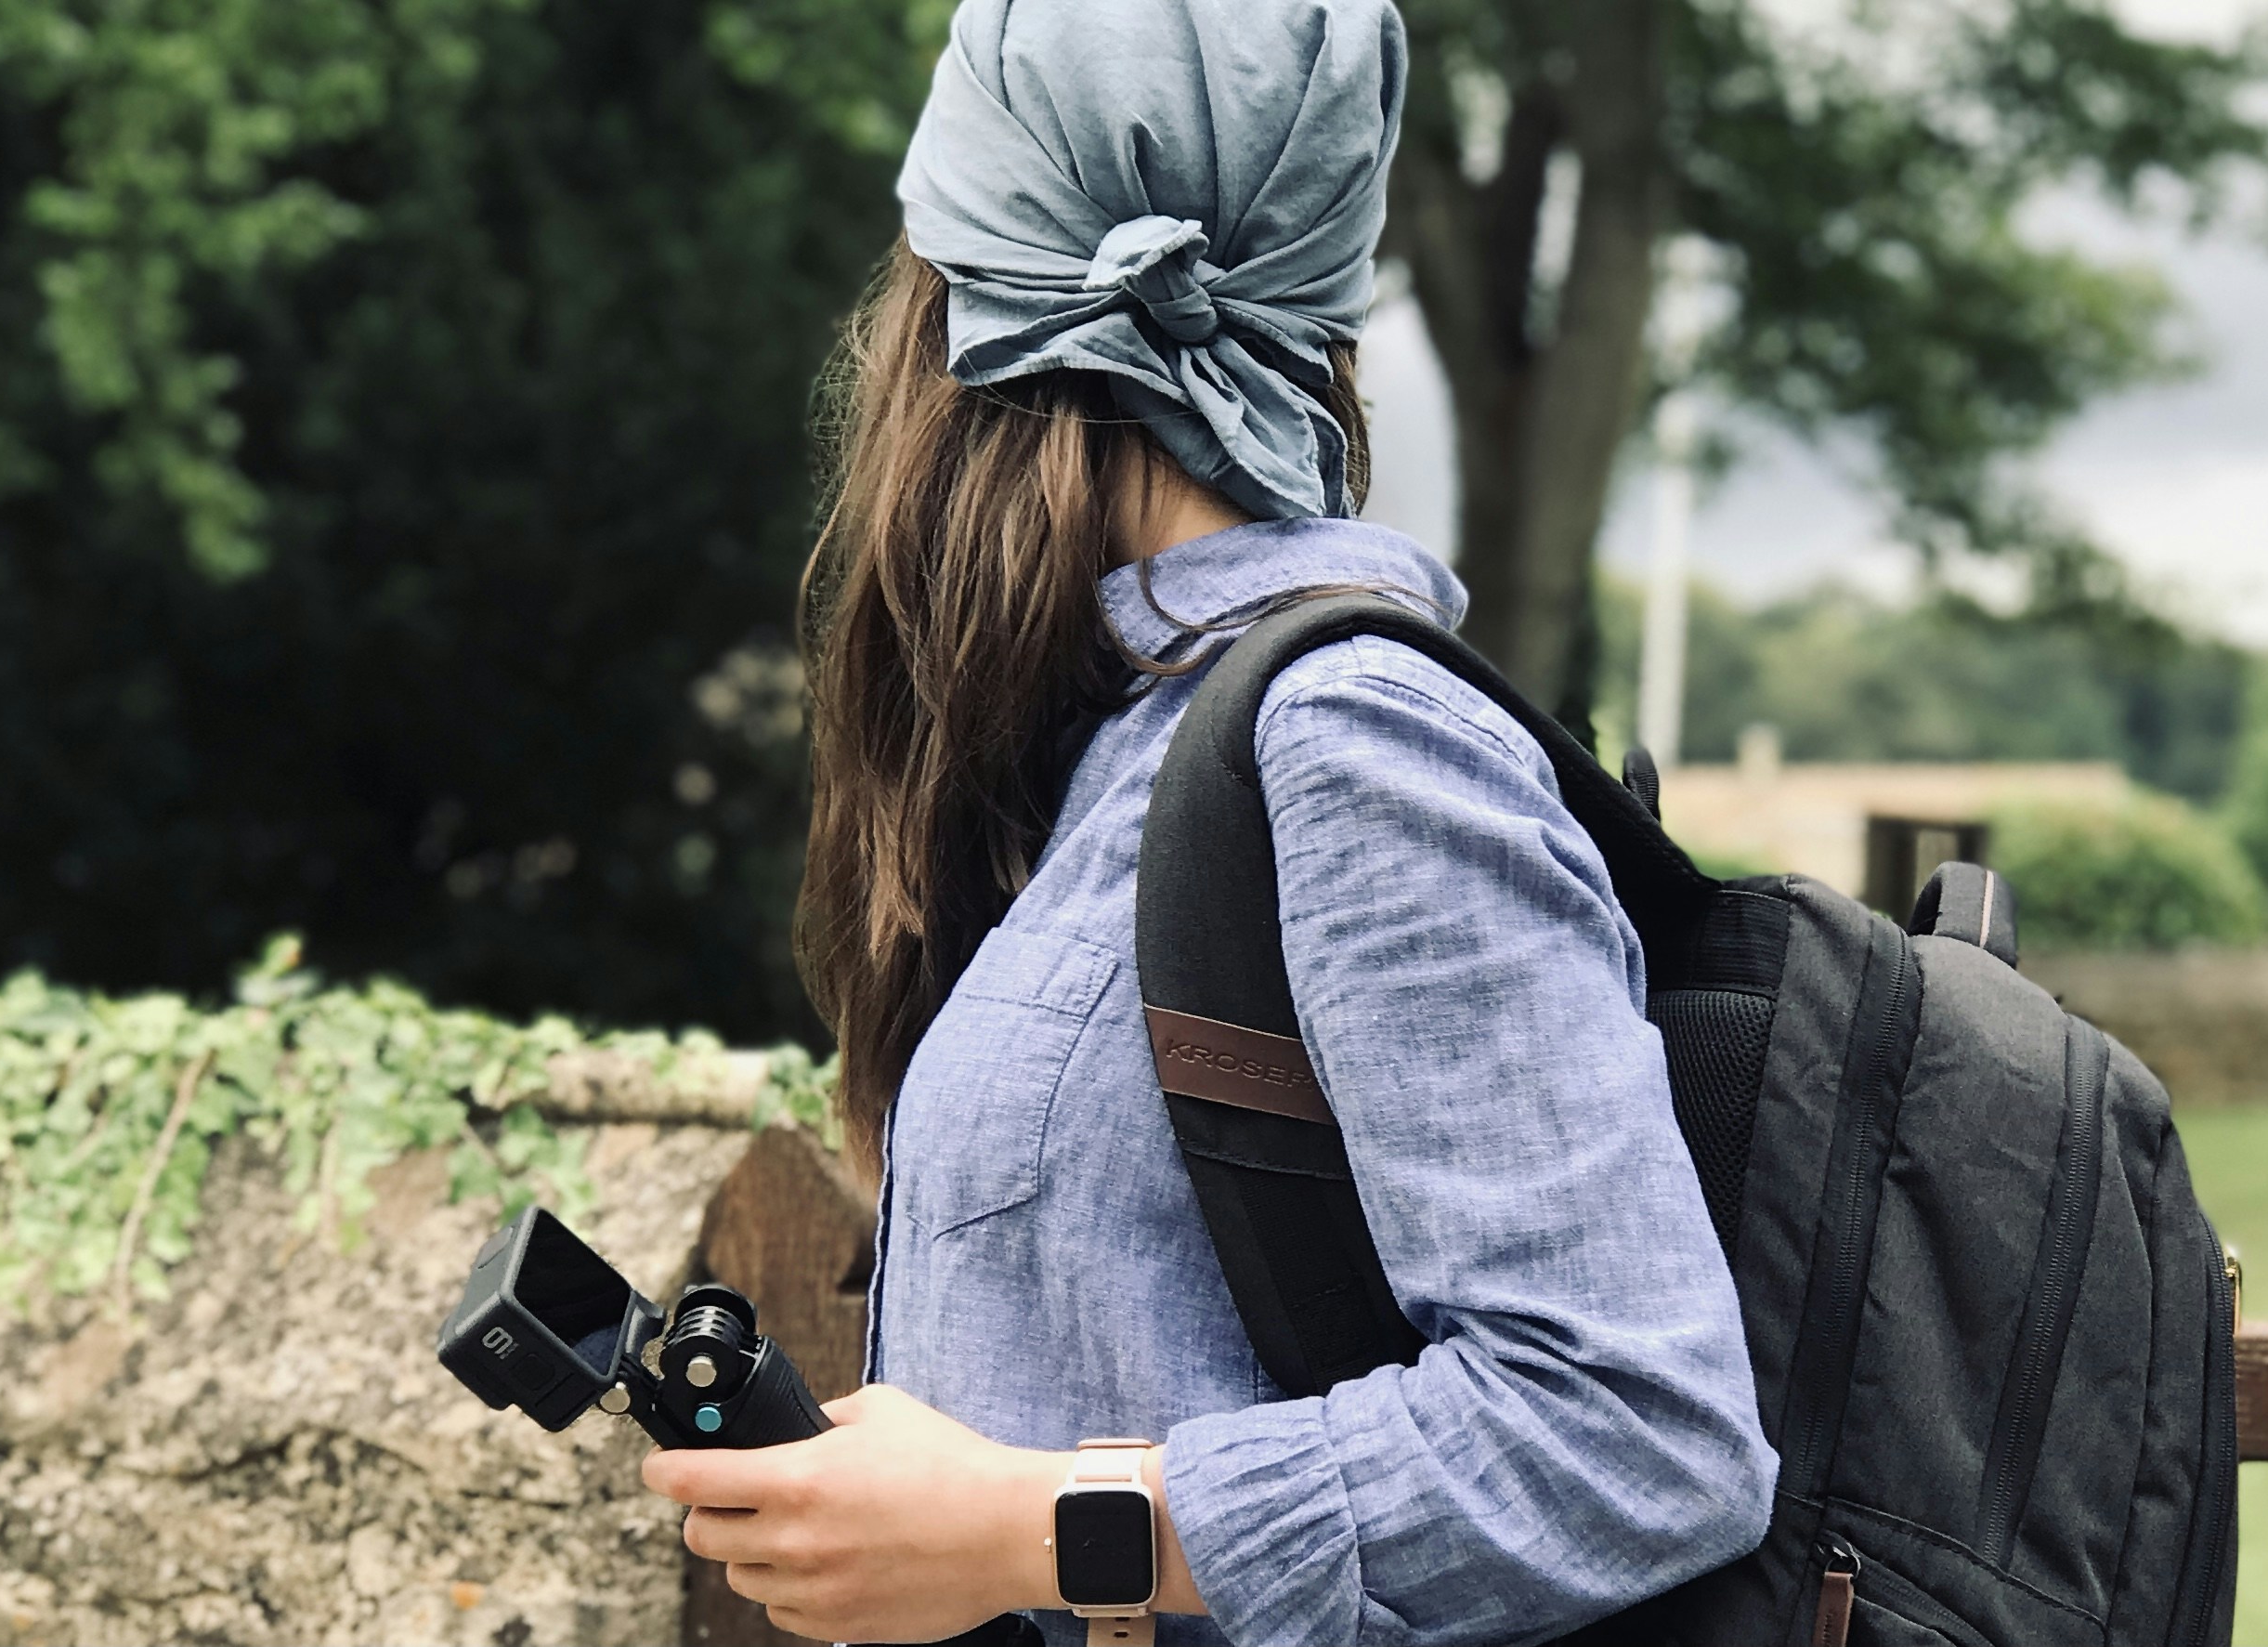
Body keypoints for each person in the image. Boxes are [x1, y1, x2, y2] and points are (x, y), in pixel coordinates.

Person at [636, 1, 1775, 1642]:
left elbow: (1636, 1431)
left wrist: (1043, 1527)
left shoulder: (1349, 745)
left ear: (982, 310)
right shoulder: (1126, 747)